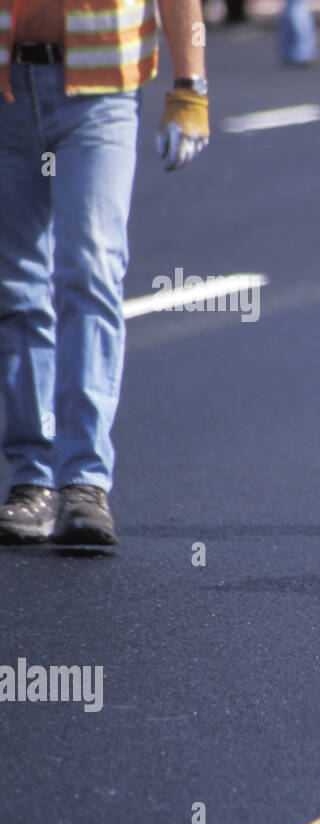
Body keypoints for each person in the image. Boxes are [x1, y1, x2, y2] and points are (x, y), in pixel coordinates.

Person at [0, 0, 210, 545]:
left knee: (88, 271)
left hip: (98, 94)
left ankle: (82, 482)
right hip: (7, 90)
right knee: (15, 285)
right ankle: (32, 481)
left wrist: (190, 86)